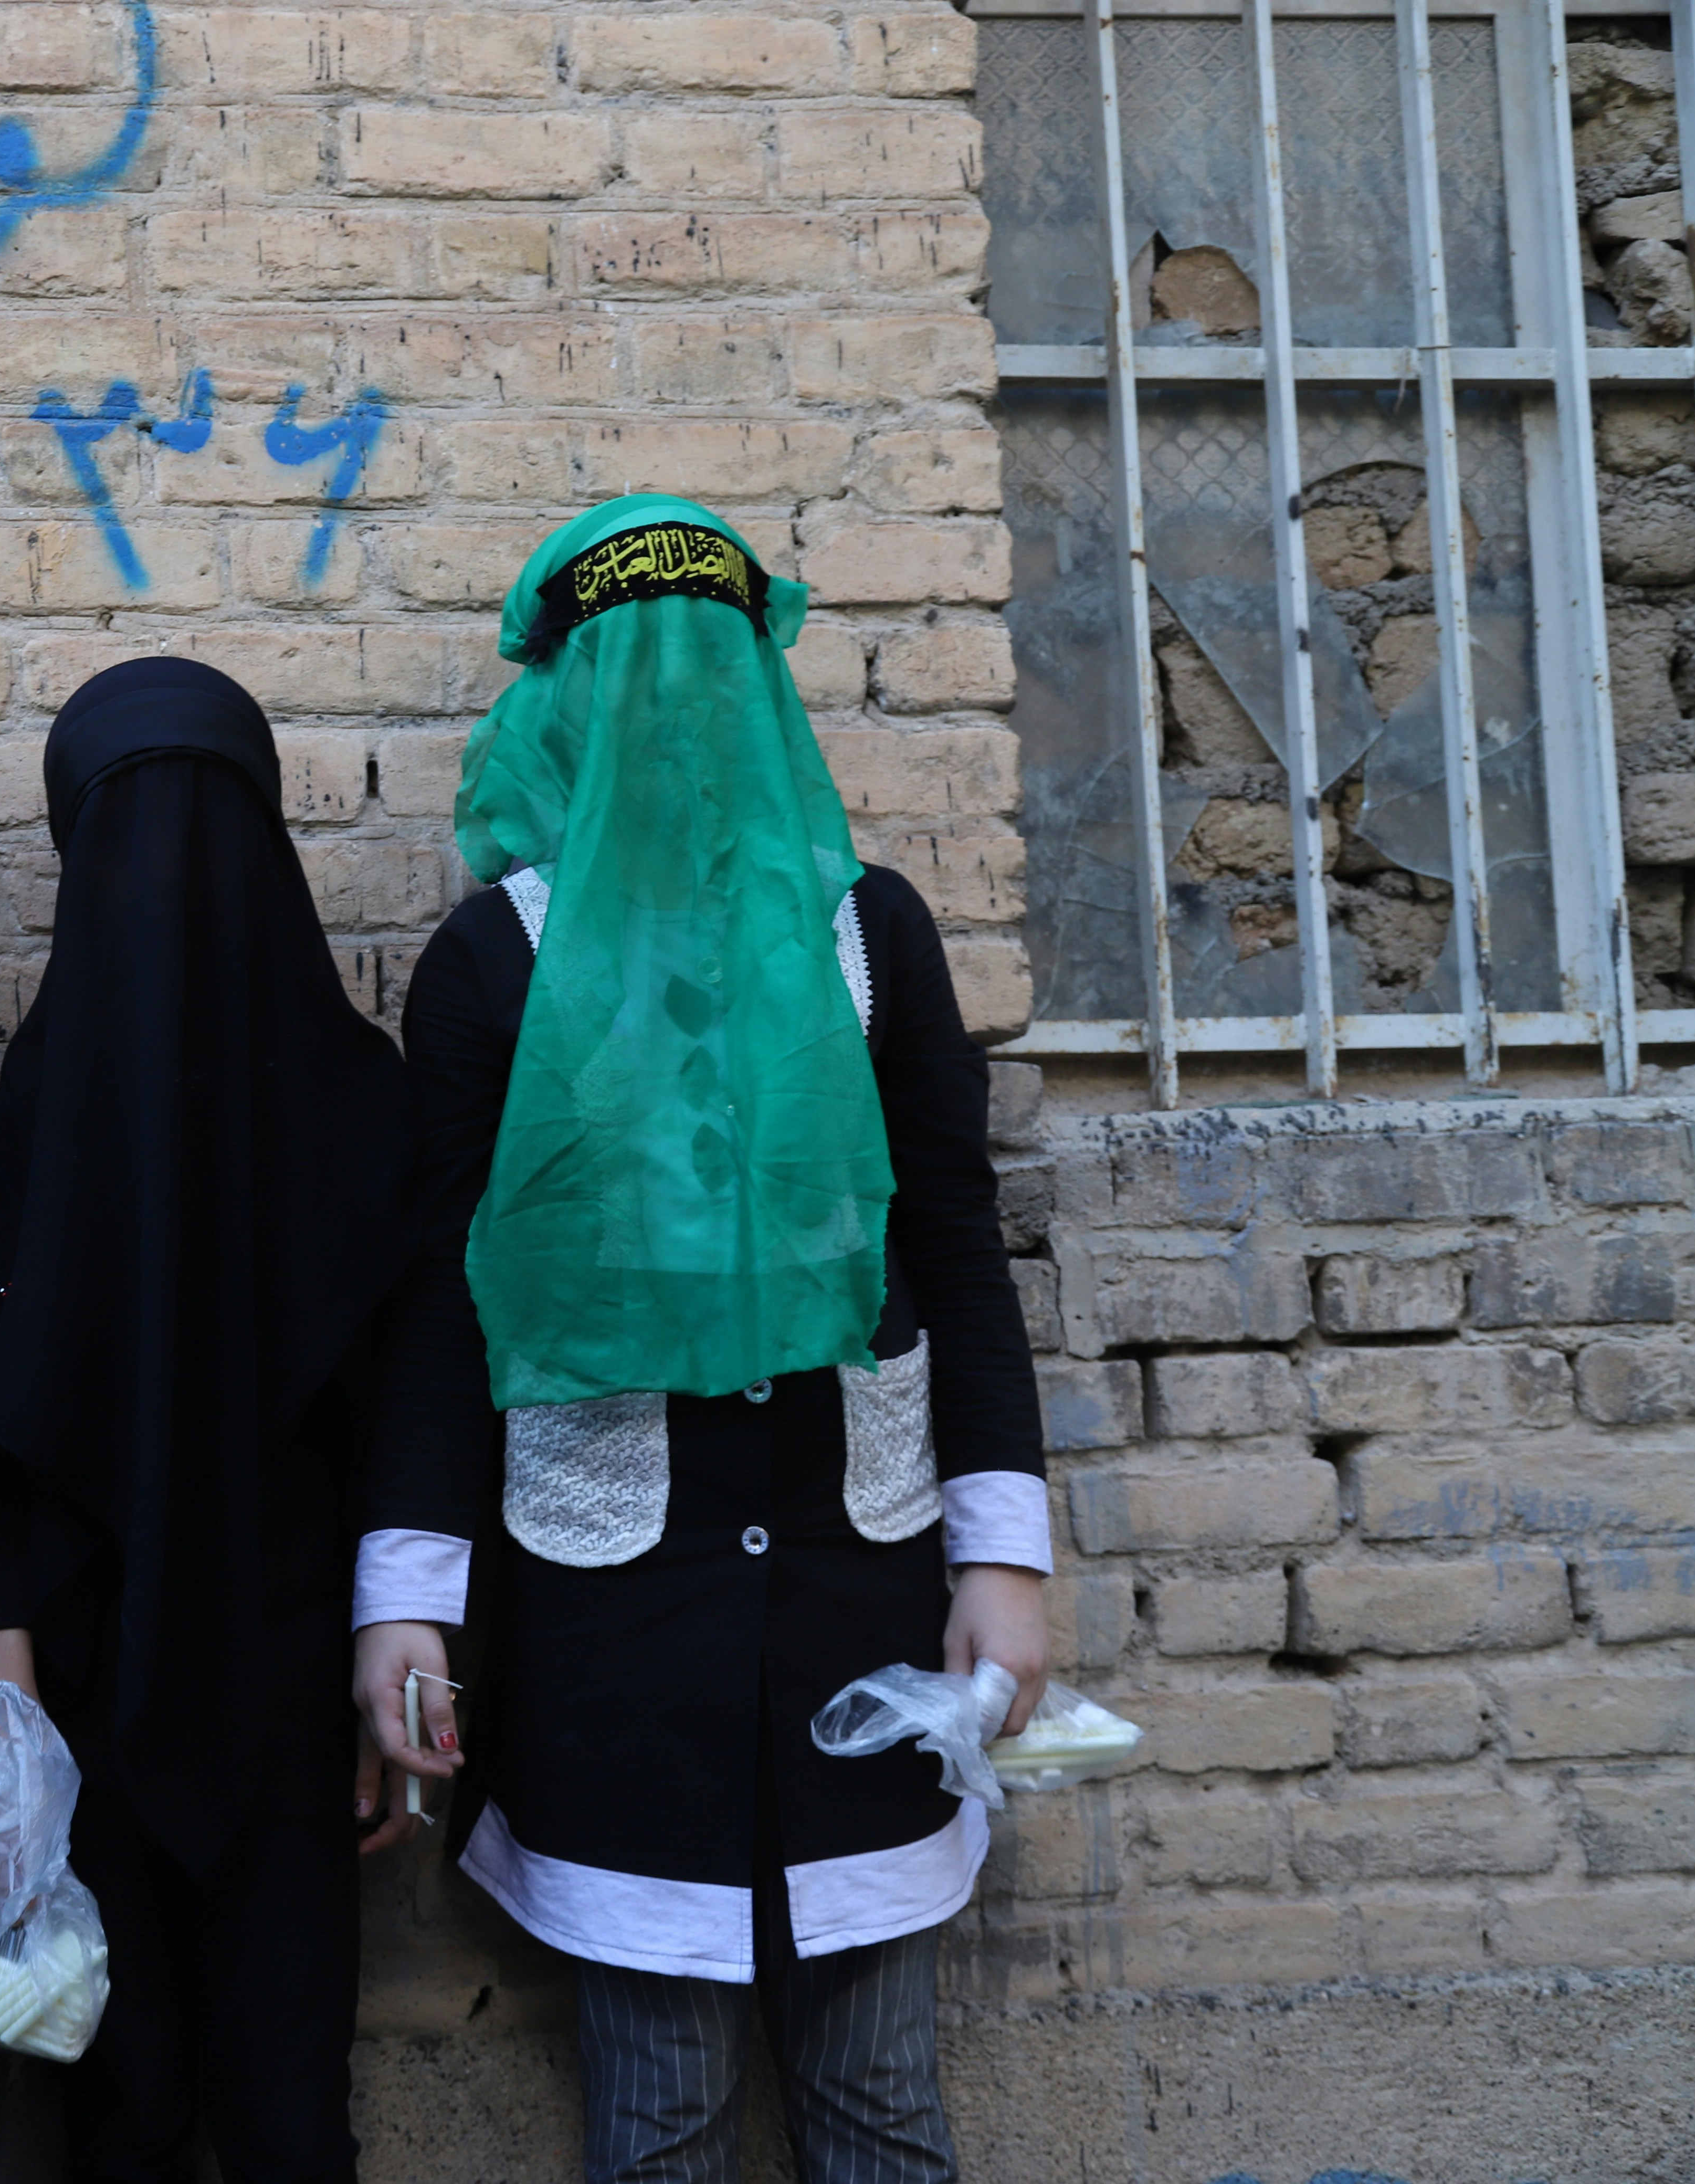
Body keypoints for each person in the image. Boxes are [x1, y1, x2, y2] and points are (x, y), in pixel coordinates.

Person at [354, 498, 1049, 2184]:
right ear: (564, 700)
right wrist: (408, 1599)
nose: (672, 709)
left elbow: (954, 1243)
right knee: (656, 2119)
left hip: (855, 1581)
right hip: (611, 1618)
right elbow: (453, 1296)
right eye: (628, 671)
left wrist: (1007, 1556)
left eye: (710, 669)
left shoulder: (866, 933)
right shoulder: (494, 962)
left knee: (882, 2104)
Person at [0, 658, 416, 2184]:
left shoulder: (362, 1117)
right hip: (94, 1722)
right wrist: (6, 1710)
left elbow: (411, 1411)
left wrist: (386, 1669)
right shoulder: (21, 1138)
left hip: (296, 1713)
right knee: (124, 2108)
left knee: (281, 2117)